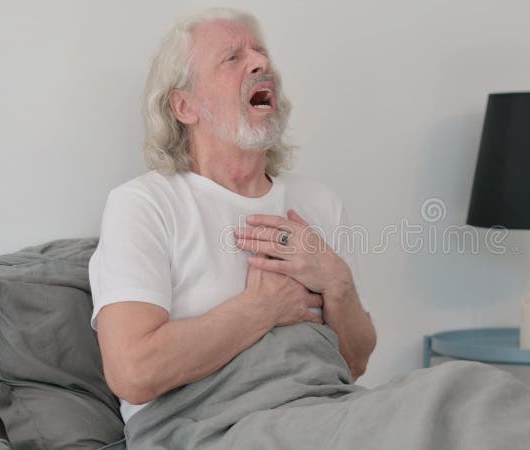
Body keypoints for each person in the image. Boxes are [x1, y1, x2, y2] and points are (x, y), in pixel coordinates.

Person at [88, 7, 376, 425]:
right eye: (233, 58)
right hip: (211, 426)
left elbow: (354, 363)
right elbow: (133, 371)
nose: (262, 63)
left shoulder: (319, 202)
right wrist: (261, 308)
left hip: (327, 408)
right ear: (185, 105)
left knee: (465, 392)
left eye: (261, 53)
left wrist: (337, 281)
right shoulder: (145, 204)